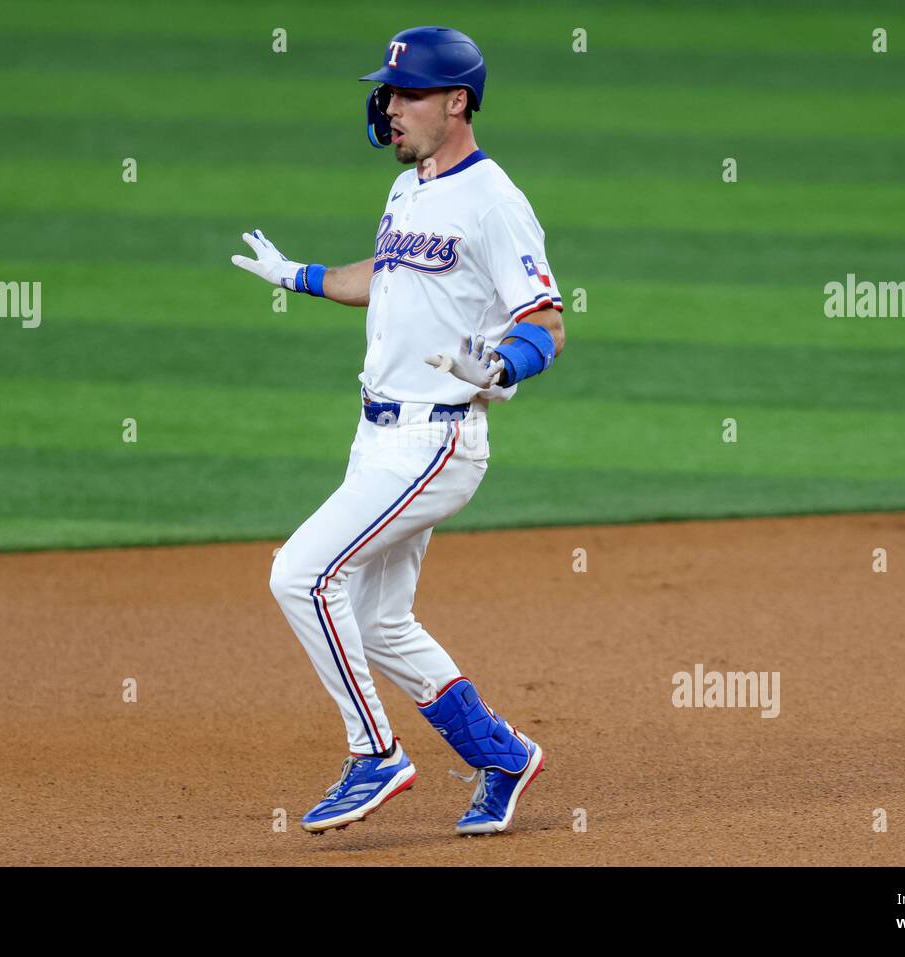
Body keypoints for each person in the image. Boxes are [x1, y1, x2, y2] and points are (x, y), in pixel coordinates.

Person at [233, 26, 565, 836]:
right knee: (381, 622)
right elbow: (384, 282)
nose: (391, 108)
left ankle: (374, 752)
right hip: (375, 435)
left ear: (458, 102)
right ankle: (502, 754)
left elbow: (547, 320)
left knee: (301, 575)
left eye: (410, 94)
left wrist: (506, 367)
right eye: (388, 93)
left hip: (438, 439)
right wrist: (297, 276)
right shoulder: (410, 188)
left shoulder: (494, 202)